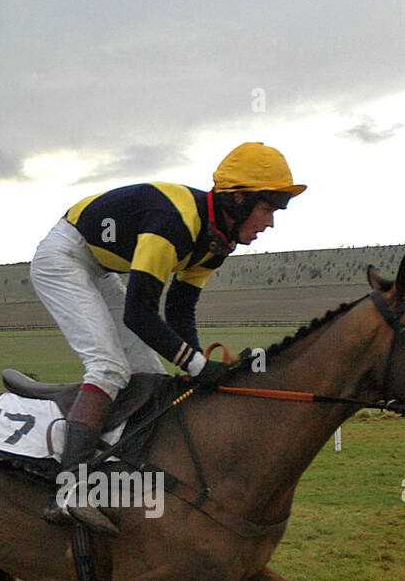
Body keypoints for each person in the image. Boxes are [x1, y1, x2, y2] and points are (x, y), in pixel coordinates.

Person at [29, 142, 306, 528]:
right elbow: (140, 314)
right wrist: (197, 364)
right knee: (108, 368)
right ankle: (66, 492)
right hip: (64, 256)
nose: (270, 222)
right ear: (240, 199)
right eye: (267, 208)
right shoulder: (173, 222)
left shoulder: (217, 240)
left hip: (102, 267)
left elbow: (179, 309)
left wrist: (196, 368)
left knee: (150, 374)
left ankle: (116, 469)